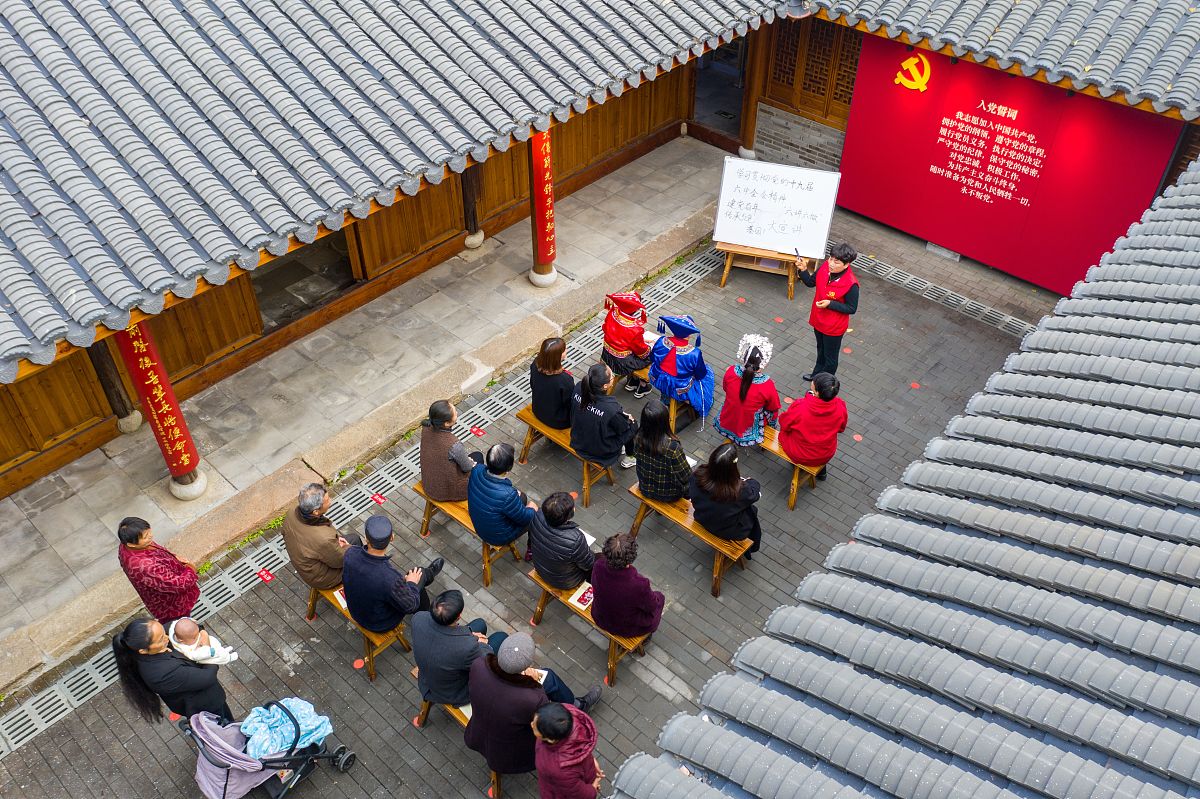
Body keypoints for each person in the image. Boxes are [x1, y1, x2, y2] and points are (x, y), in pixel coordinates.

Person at [464, 634, 601, 777]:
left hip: (476, 734)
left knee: (549, 678)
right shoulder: (532, 698)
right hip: (510, 755)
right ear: (526, 665)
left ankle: (574, 704)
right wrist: (534, 683)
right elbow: (541, 716)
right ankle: (576, 706)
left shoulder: (478, 665)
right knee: (549, 679)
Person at [112, 618, 232, 722]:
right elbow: (208, 677)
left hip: (197, 691)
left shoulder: (157, 635)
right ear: (143, 650)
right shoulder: (161, 674)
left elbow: (190, 626)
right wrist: (208, 650)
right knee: (224, 726)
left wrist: (201, 632)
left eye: (163, 632)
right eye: (160, 639)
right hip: (204, 705)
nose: (167, 637)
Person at [341, 515, 444, 633]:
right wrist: (412, 583)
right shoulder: (390, 578)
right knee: (418, 576)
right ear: (392, 538)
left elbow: (353, 551)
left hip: (356, 611)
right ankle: (428, 579)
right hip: (379, 623)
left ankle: (428, 576)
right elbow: (410, 605)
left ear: (366, 539)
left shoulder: (350, 553)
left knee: (415, 579)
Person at [410, 589, 507, 707]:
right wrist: (483, 644)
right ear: (459, 616)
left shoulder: (418, 618)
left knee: (480, 623)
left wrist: (470, 637)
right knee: (501, 637)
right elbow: (486, 659)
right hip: (451, 692)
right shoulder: (467, 648)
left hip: (427, 677)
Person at [117, 517, 199, 623]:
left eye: (149, 532)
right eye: (146, 536)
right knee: (180, 622)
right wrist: (190, 568)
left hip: (160, 593)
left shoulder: (126, 545)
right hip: (172, 604)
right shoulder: (145, 566)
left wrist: (174, 557)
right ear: (131, 544)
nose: (151, 536)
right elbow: (178, 584)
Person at [688, 443, 762, 557]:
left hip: (702, 518)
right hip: (728, 531)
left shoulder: (698, 474)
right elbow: (755, 494)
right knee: (751, 510)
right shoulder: (739, 491)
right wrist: (751, 481)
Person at [799, 242, 859, 379]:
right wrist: (803, 270)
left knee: (830, 357)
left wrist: (830, 304)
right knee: (821, 350)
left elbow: (852, 308)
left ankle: (824, 385)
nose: (831, 263)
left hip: (834, 327)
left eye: (836, 262)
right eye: (831, 258)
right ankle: (816, 375)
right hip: (818, 319)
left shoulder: (851, 284)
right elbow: (810, 282)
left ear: (846, 264)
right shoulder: (825, 267)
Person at [281, 482, 358, 590]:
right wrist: (347, 546)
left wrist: (334, 541)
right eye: (327, 500)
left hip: (305, 562)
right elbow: (340, 561)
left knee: (354, 539)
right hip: (323, 578)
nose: (330, 501)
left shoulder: (291, 511)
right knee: (357, 553)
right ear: (316, 511)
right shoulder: (323, 538)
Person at [777, 372, 848, 480]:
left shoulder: (801, 406)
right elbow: (841, 428)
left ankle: (798, 466)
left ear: (817, 392)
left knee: (785, 434)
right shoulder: (840, 406)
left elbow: (784, 423)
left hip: (800, 453)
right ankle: (821, 473)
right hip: (826, 452)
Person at [590, 534, 664, 638]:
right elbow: (652, 606)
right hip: (625, 628)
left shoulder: (598, 565)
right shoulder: (639, 584)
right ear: (631, 557)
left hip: (600, 617)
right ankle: (645, 638)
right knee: (660, 597)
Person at [714, 333, 780, 447]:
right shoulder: (767, 384)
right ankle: (771, 430)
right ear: (764, 363)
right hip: (748, 423)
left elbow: (725, 388)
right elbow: (773, 406)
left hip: (728, 418)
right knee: (773, 412)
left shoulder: (731, 371)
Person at [467, 444, 539, 546]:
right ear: (508, 468)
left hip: (479, 522)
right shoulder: (508, 495)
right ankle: (531, 549)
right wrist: (532, 509)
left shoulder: (476, 469)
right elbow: (525, 519)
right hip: (498, 537)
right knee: (538, 515)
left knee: (522, 497)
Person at [570, 363, 638, 469]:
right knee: (632, 425)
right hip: (600, 452)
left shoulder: (579, 387)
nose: (614, 377)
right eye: (612, 377)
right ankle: (630, 456)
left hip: (578, 439)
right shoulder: (610, 409)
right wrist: (627, 419)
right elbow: (623, 427)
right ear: (605, 386)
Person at [648, 315, 714, 425]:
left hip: (657, 380)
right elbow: (700, 375)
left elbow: (652, 358)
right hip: (679, 388)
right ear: (689, 335)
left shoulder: (661, 341)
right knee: (708, 374)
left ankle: (666, 399)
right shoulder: (694, 353)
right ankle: (694, 402)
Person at [533, 703, 602, 799]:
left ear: (551, 739)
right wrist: (592, 761)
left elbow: (583, 795)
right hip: (583, 773)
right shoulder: (567, 717)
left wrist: (593, 790)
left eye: (536, 728)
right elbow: (580, 747)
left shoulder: (558, 769)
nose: (532, 725)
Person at [529, 492, 594, 590]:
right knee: (598, 560)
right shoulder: (575, 539)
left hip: (541, 568)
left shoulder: (537, 514)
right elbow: (588, 565)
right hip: (565, 581)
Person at [420, 400, 478, 502]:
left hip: (429, 484)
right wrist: (471, 462)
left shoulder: (426, 428)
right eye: (455, 413)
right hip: (446, 492)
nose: (457, 413)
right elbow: (467, 468)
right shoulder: (453, 445)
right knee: (478, 459)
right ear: (447, 423)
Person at [632, 401, 690, 503]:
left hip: (645, 487)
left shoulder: (637, 437)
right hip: (669, 494)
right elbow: (685, 475)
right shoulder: (672, 447)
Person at [600, 292, 653, 397]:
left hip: (606, 354)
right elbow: (642, 352)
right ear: (636, 309)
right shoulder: (634, 328)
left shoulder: (612, 313)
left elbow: (605, 328)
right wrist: (649, 347)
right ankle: (642, 384)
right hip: (622, 363)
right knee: (650, 356)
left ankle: (633, 381)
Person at [530, 337, 575, 429]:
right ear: (558, 356)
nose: (567, 350)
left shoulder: (535, 363)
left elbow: (532, 385)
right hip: (558, 420)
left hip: (538, 410)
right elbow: (570, 403)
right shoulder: (564, 379)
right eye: (564, 350)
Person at [168, 618, 239, 665]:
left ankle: (223, 650)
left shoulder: (174, 630)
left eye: (198, 633)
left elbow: (178, 621)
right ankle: (229, 658)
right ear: (181, 641)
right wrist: (208, 651)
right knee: (220, 657)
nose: (198, 636)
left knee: (219, 649)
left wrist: (190, 620)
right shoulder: (186, 649)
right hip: (209, 655)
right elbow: (195, 656)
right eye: (194, 637)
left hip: (213, 646)